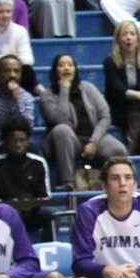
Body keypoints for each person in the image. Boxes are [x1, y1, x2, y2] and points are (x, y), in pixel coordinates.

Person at [40, 54, 125, 190]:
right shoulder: (47, 95)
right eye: (61, 65)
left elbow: (105, 116)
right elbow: (60, 120)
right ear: (55, 71)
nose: (66, 68)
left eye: (70, 65)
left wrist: (94, 142)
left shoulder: (88, 88)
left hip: (92, 137)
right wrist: (64, 90)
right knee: (62, 130)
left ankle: (111, 185)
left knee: (117, 149)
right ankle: (68, 183)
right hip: (67, 141)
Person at [0, 119, 53, 238]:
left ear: (28, 141)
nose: (18, 144)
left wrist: (30, 205)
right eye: (14, 141)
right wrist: (11, 206)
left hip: (31, 212)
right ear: (6, 142)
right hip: (4, 212)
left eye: (22, 140)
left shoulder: (38, 163)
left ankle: (49, 246)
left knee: (47, 215)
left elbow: (45, 196)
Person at [102, 21, 140, 155]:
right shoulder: (110, 62)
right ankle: (130, 150)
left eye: (132, 34)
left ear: (138, 39)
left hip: (138, 105)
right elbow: (117, 89)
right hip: (118, 106)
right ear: (118, 39)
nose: (128, 38)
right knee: (138, 106)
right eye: (124, 35)